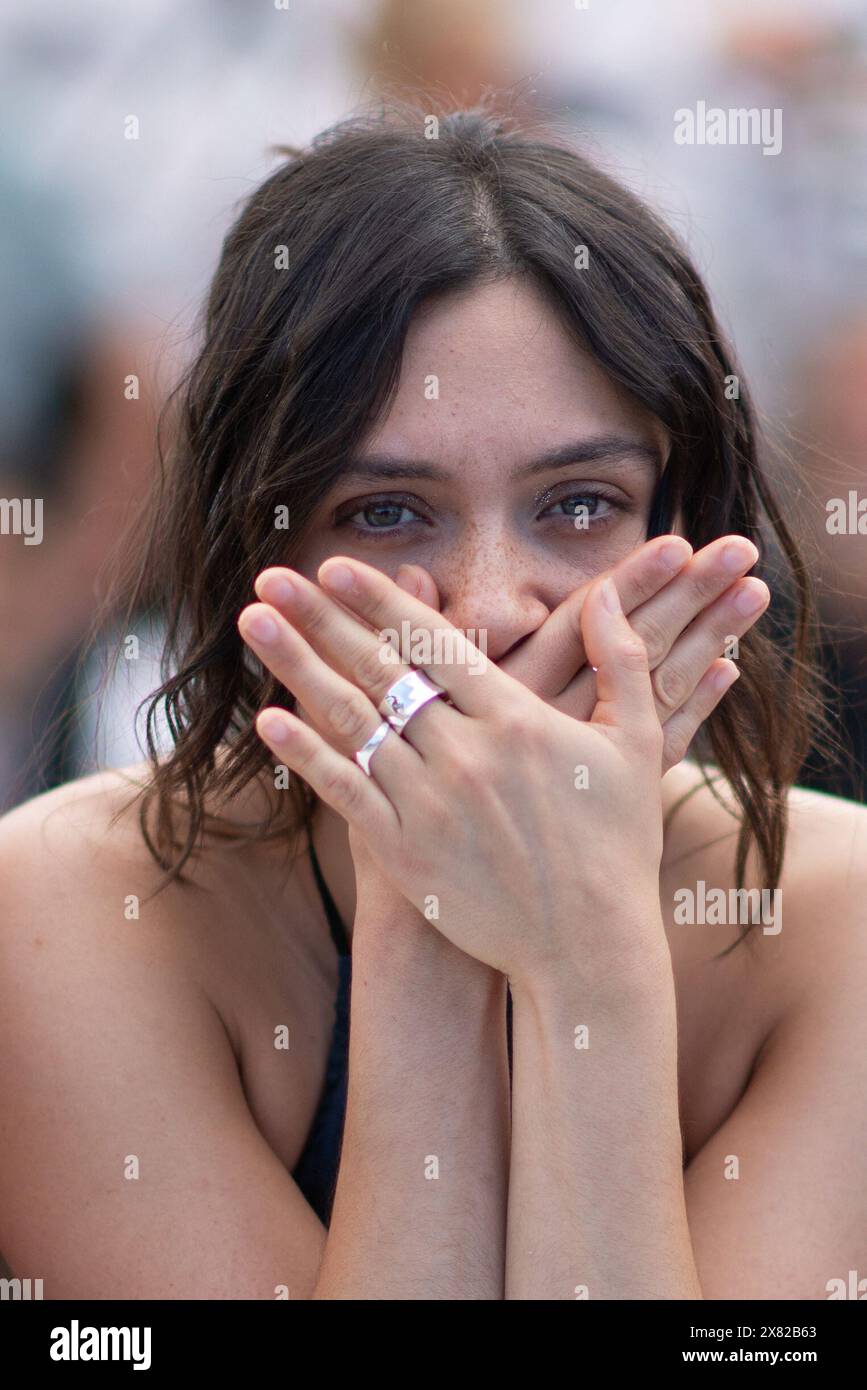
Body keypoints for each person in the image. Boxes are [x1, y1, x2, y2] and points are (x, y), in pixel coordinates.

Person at [1, 104, 864, 1301]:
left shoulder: (837, 927)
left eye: (577, 504)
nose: (489, 611)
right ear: (260, 558)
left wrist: (585, 963)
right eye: (389, 513)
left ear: (694, 538)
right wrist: (433, 915)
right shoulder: (70, 908)